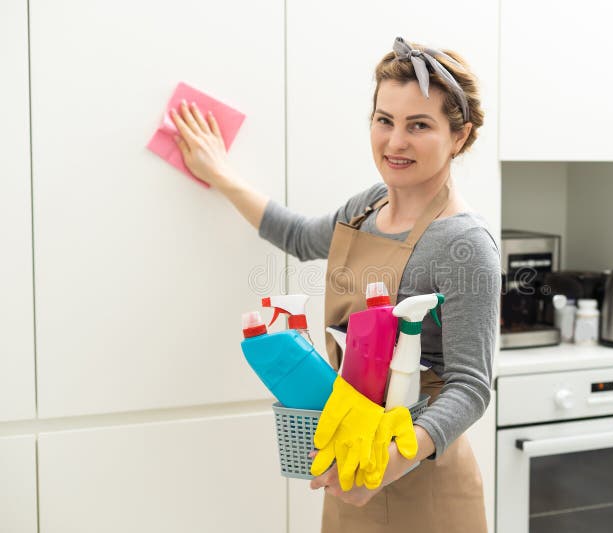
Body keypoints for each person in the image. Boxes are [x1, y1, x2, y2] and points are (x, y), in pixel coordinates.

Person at [169, 36, 500, 533]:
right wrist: (219, 172)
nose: (395, 142)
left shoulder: (464, 242)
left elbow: (471, 386)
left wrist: (389, 460)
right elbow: (300, 235)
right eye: (384, 120)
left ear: (459, 136)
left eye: (419, 125)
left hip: (421, 479)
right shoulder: (365, 208)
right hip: (349, 464)